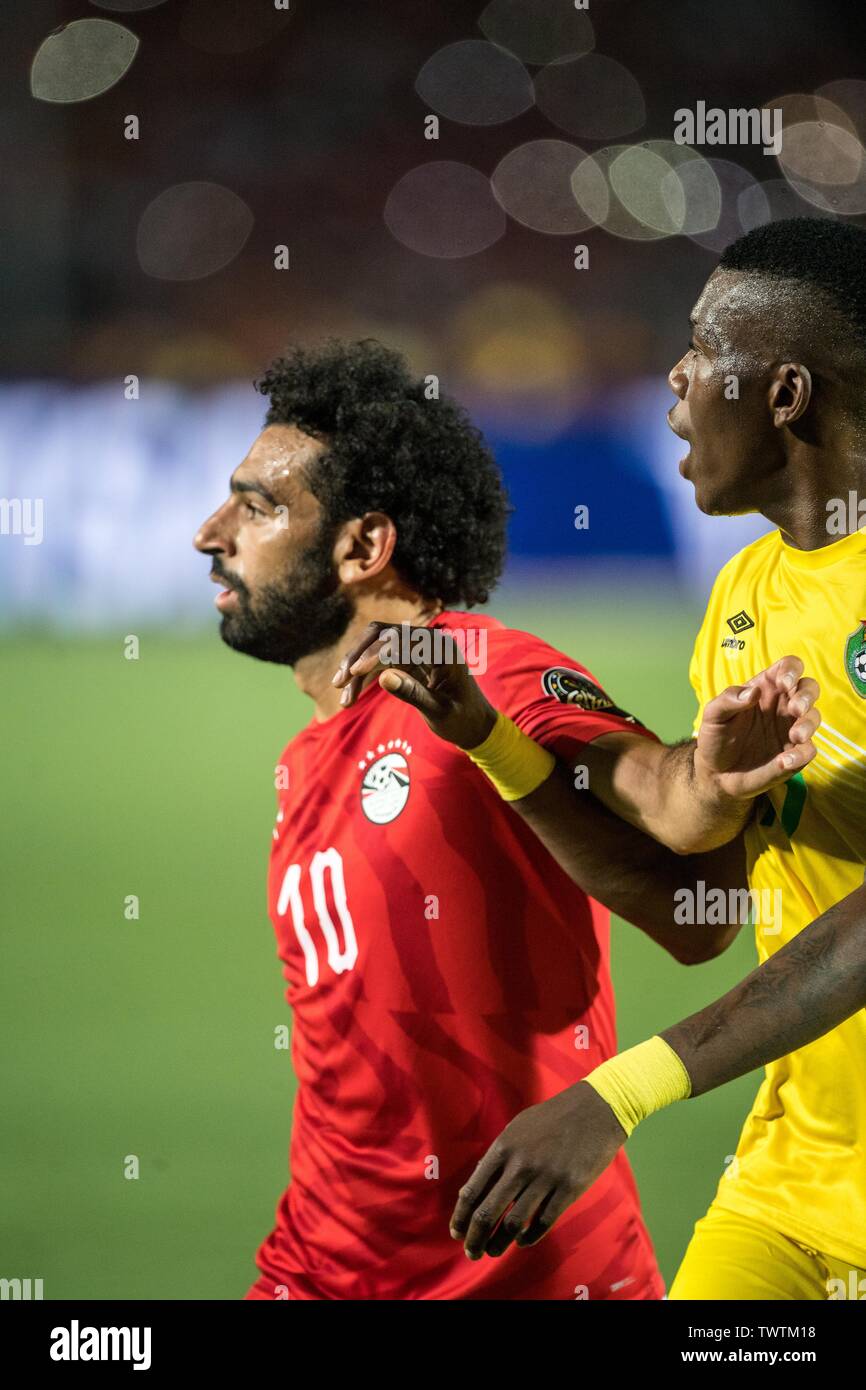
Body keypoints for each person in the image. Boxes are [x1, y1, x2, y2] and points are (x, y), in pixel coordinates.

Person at [194, 339, 807, 1300]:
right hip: (317, 1273)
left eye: (258, 505)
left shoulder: (485, 665)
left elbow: (680, 849)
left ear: (364, 547)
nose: (210, 532)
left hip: (523, 1277)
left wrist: (709, 779)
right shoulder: (306, 757)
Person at [338, 218, 866, 1300]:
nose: (672, 379)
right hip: (788, 1195)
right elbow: (694, 911)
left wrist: (616, 1094)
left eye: (700, 349)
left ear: (783, 394)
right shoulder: (746, 596)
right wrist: (486, 735)